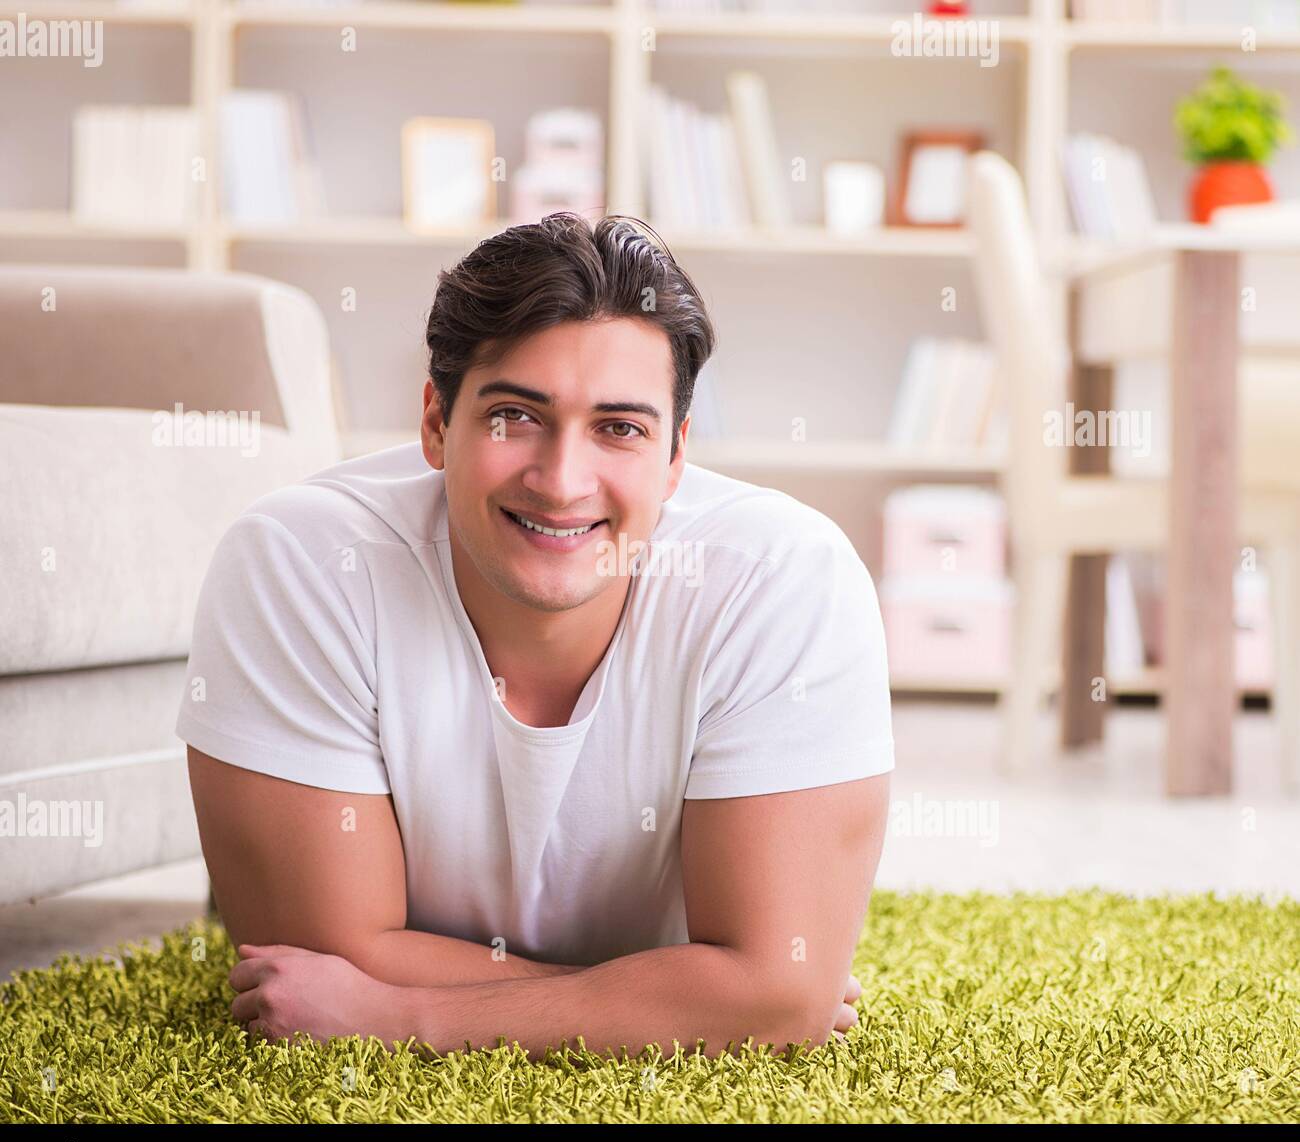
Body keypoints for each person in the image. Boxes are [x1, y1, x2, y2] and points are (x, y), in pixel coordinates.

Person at [177, 212, 894, 1062]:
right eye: (516, 415)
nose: (561, 481)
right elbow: (327, 960)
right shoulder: (299, 563)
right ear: (437, 424)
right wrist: (707, 994)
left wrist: (403, 1014)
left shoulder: (785, 579)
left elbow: (778, 990)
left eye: (620, 428)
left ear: (676, 457)